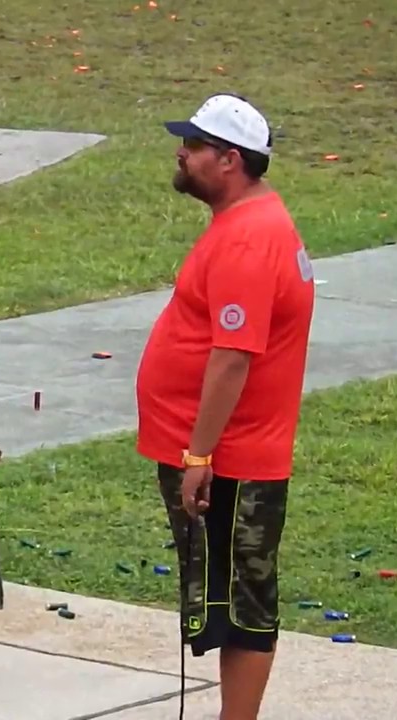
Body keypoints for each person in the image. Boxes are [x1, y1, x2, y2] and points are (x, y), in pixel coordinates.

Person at [134, 93, 316, 720]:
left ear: (230, 160)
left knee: (243, 607)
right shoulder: (249, 222)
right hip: (227, 457)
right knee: (230, 600)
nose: (181, 153)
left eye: (194, 145)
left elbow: (233, 356)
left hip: (230, 462)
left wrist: (198, 454)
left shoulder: (248, 240)